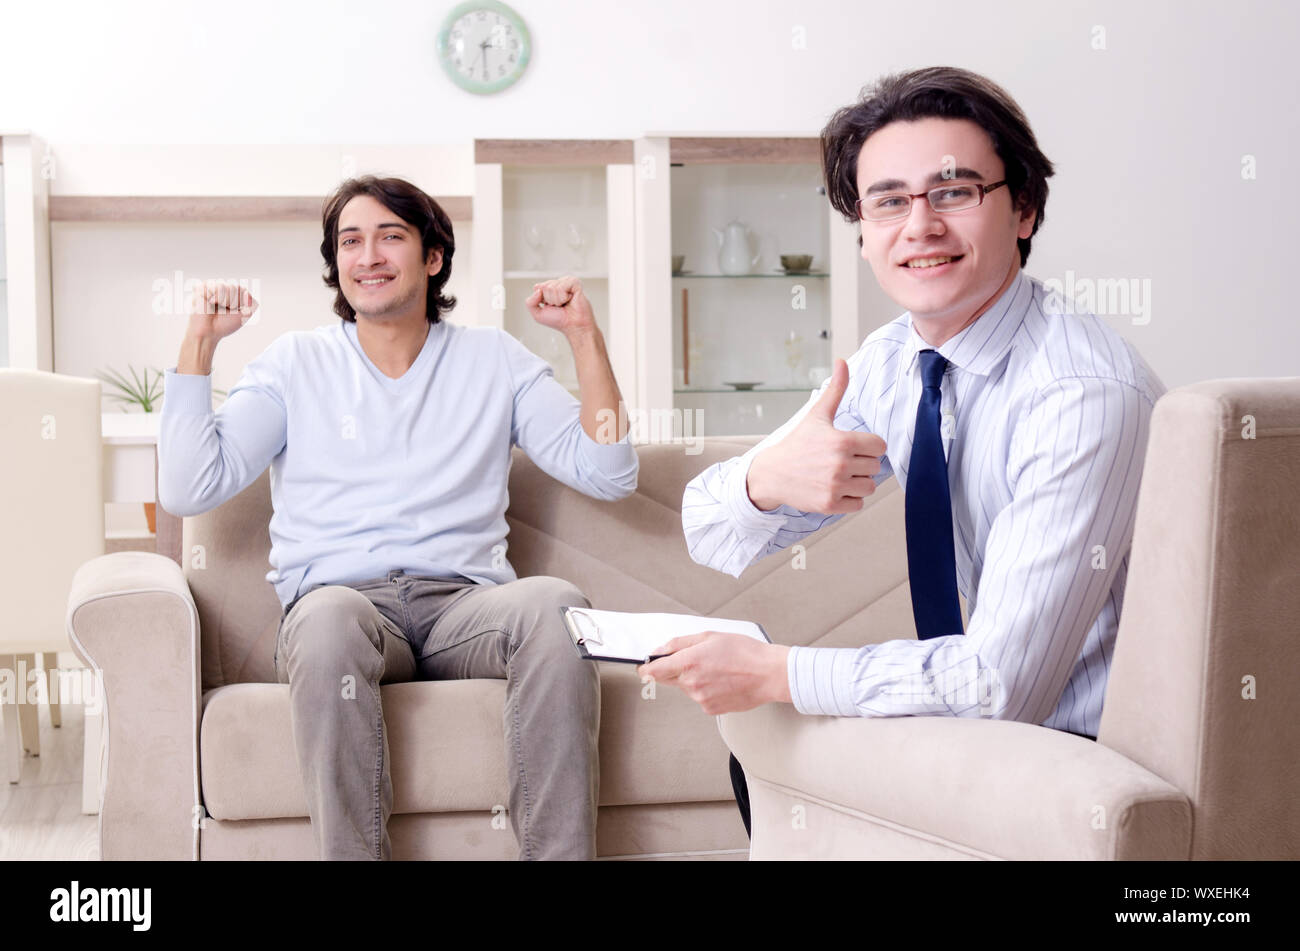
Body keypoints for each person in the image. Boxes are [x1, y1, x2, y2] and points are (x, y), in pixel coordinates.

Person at [638, 67, 1167, 837]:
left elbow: (997, 683)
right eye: (888, 201)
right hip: (994, 726)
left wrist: (774, 671)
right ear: (862, 233)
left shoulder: (1079, 393)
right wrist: (765, 479)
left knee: (776, 718)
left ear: (1022, 207)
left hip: (1080, 751)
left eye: (952, 191)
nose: (918, 225)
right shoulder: (893, 361)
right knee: (764, 750)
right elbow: (708, 533)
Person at [158, 175, 638, 860]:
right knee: (326, 623)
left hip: (464, 608)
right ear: (337, 265)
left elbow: (609, 471)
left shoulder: (493, 358)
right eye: (350, 241)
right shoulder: (296, 362)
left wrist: (584, 338)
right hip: (341, 605)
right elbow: (188, 486)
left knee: (557, 608)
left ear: (432, 256)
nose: (368, 255)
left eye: (391, 236)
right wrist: (200, 344)